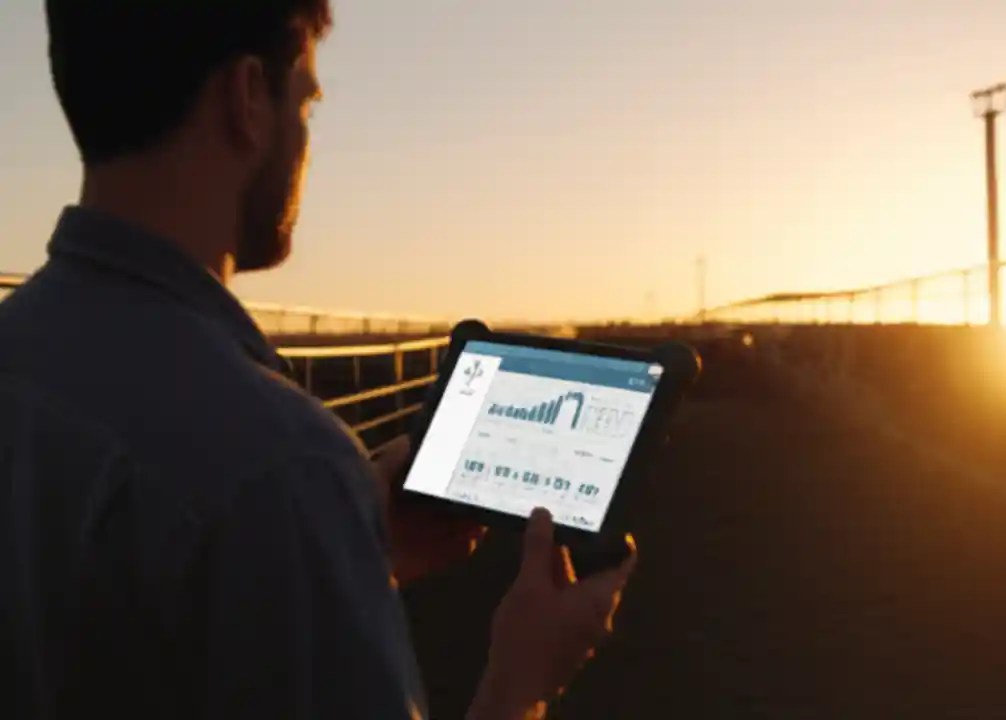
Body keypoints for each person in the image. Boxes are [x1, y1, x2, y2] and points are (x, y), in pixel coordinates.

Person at [0, 1, 635, 718]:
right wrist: (521, 681)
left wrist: (348, 557)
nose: (306, 140)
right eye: (305, 103)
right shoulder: (282, 462)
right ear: (247, 98)